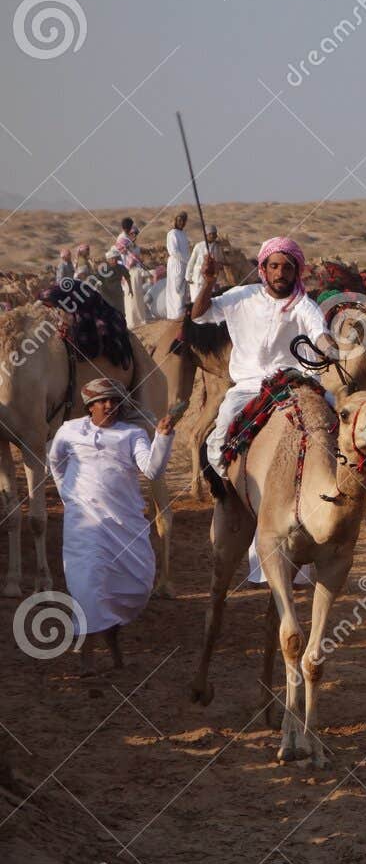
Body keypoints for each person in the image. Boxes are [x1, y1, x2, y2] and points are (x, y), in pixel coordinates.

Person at [47, 379, 176, 676]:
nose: (109, 406)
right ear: (89, 406)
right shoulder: (69, 431)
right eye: (103, 401)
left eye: (114, 401)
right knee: (88, 586)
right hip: (84, 525)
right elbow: (55, 460)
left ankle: (116, 652)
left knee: (131, 587)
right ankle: (87, 660)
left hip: (124, 525)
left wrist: (163, 437)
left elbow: (152, 469)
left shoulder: (132, 434)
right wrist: (68, 492)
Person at [190, 237, 332, 476]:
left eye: (287, 267)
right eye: (274, 266)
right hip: (248, 386)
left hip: (294, 383)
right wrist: (209, 282)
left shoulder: (303, 305)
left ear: (296, 271)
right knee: (219, 437)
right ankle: (231, 491)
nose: (280, 273)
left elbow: (320, 333)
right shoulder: (242, 296)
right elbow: (199, 315)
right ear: (263, 269)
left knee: (337, 423)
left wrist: (331, 349)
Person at [112, 217, 151, 328]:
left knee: (137, 294)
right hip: (128, 270)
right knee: (130, 296)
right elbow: (122, 253)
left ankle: (139, 319)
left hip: (134, 270)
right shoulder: (122, 238)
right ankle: (132, 321)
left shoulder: (128, 238)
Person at [161, 212, 192, 321]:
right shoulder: (172, 233)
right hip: (176, 264)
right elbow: (174, 251)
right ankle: (175, 315)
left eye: (183, 220)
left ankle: (180, 313)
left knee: (183, 290)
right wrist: (188, 260)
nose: (181, 223)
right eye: (179, 220)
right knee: (176, 289)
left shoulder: (183, 234)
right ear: (175, 221)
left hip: (184, 264)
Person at [185, 226, 222, 303]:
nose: (212, 236)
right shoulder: (199, 246)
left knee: (208, 301)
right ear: (206, 235)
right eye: (210, 234)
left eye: (214, 234)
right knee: (195, 301)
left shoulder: (217, 247)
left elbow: (218, 263)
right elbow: (192, 262)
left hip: (209, 279)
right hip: (197, 279)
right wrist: (188, 276)